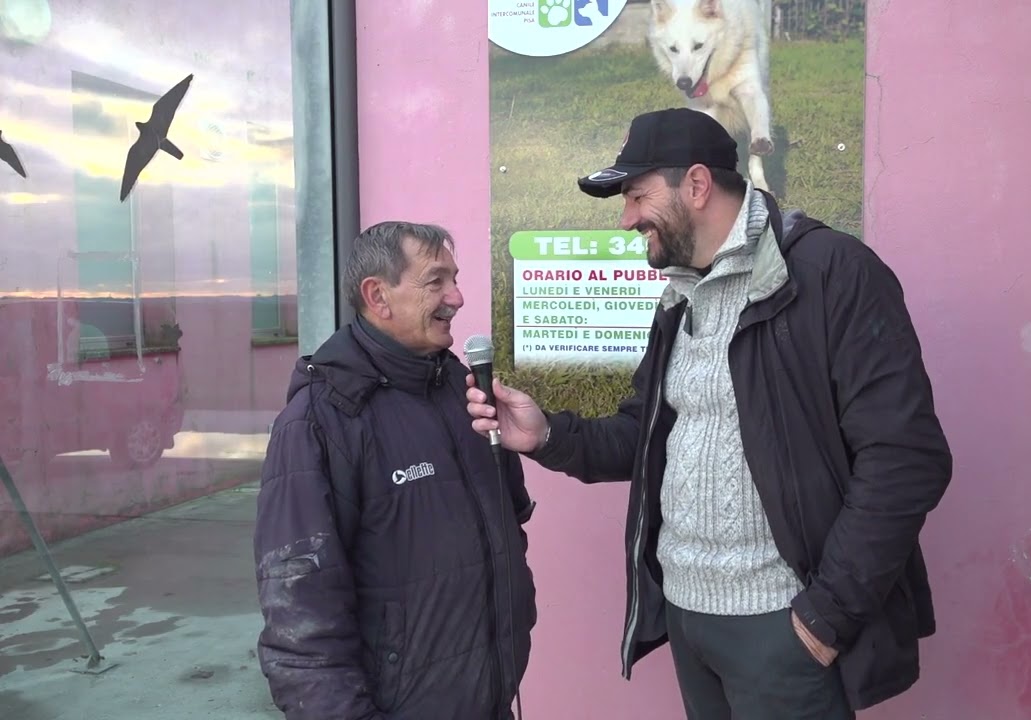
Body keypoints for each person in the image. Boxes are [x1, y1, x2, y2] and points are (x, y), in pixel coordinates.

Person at [465, 108, 952, 720]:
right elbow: (643, 435)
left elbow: (906, 460)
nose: (626, 219)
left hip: (784, 629)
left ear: (697, 185)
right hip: (692, 622)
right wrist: (546, 435)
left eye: (637, 196)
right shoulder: (681, 295)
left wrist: (826, 616)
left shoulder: (833, 273)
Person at [253, 221, 537, 720]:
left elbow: (506, 520)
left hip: (490, 698)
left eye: (455, 278)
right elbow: (300, 615)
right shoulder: (321, 421)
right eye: (436, 282)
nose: (457, 297)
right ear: (377, 296)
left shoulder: (462, 390)